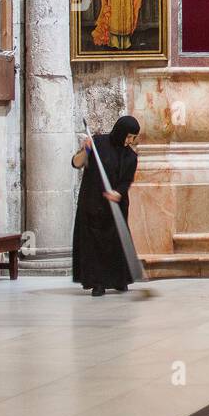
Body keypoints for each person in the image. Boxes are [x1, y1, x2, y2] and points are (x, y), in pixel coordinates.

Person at [71, 116, 141, 297]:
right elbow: (76, 163)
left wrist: (118, 193)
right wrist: (85, 150)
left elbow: (126, 181)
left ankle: (119, 280)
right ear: (120, 132)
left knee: (116, 243)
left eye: (133, 138)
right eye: (128, 136)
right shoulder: (97, 144)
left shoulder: (131, 156)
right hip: (93, 203)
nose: (129, 141)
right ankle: (98, 282)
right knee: (94, 244)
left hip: (115, 205)